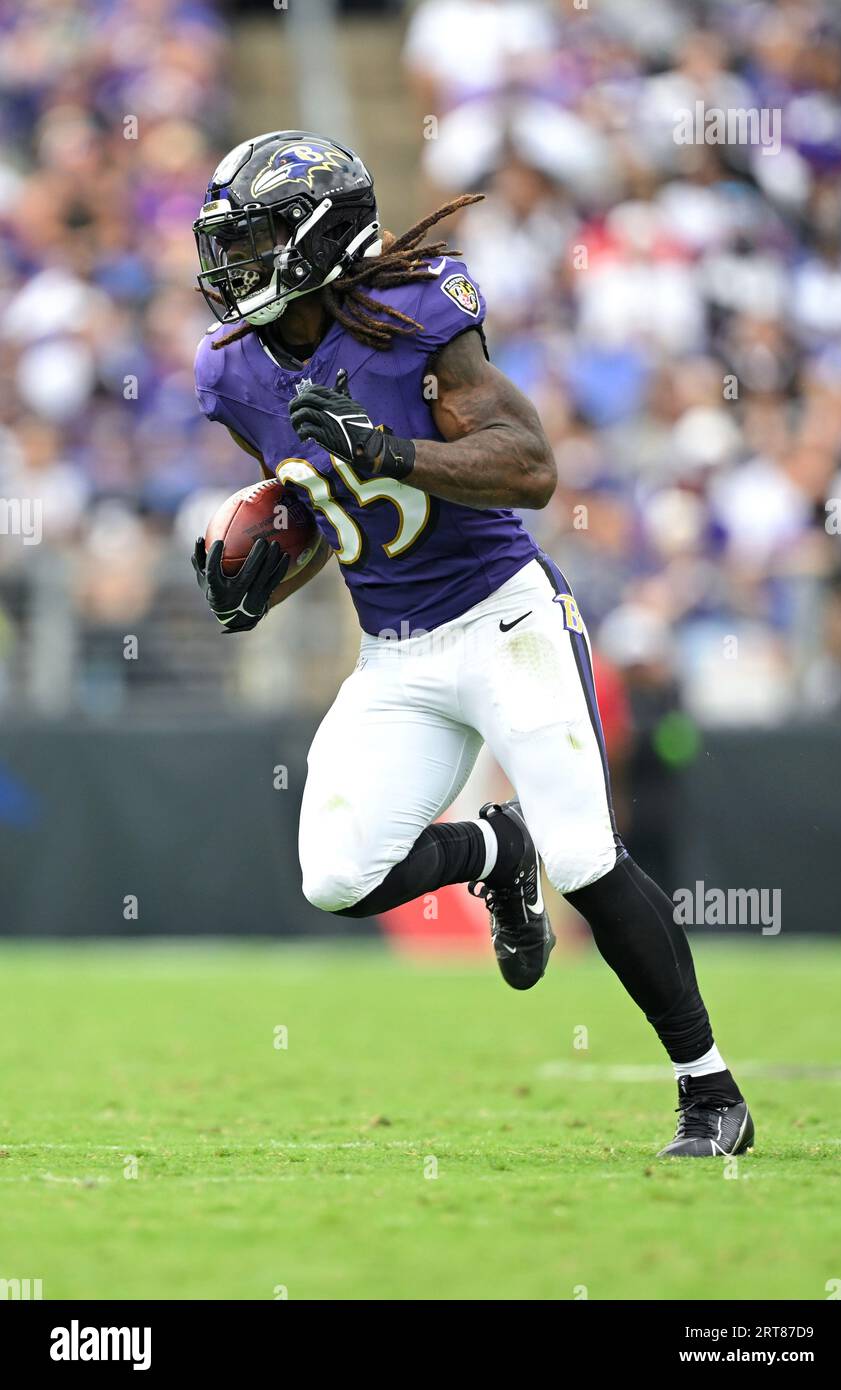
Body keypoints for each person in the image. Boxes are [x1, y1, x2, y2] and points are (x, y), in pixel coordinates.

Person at [192, 130, 753, 1158]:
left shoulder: (413, 317)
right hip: (397, 653)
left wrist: (397, 445)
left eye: (262, 235)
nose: (237, 263)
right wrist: (265, 580)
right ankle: (496, 849)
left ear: (319, 236)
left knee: (587, 856)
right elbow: (328, 506)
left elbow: (530, 467)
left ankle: (710, 1090)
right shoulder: (232, 376)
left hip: (504, 620)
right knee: (335, 872)